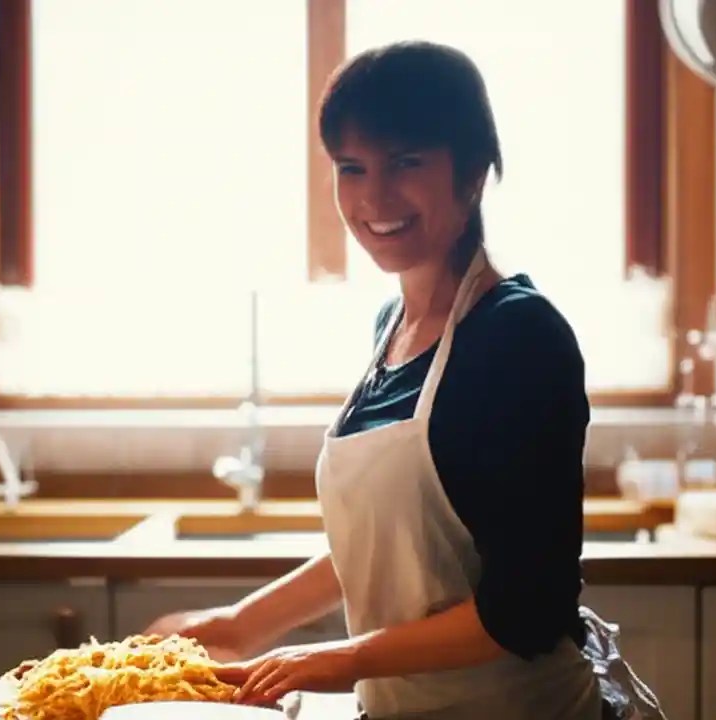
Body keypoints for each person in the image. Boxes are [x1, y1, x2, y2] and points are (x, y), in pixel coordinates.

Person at [146, 40, 601, 720]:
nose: (374, 196)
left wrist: (338, 659)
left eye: (406, 163)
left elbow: (527, 608)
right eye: (351, 168)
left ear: (473, 172)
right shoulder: (394, 325)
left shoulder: (517, 337)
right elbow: (396, 548)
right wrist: (238, 626)